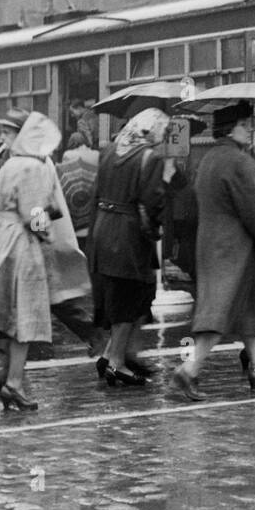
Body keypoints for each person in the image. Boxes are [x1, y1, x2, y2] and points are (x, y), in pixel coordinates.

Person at [176, 102, 255, 400]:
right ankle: (190, 368)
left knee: (246, 308)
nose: (250, 129)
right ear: (232, 128)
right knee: (219, 311)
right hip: (232, 249)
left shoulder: (209, 159)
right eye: (245, 124)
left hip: (210, 244)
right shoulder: (239, 162)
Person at [0, 112, 65, 412]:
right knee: (26, 313)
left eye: (8, 133)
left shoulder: (8, 164)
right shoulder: (33, 167)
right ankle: (14, 383)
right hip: (21, 243)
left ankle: (6, 374)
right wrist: (47, 232)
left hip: (0, 240)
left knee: (6, 311)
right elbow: (33, 215)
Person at [87, 107, 170, 387]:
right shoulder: (151, 157)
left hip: (103, 230)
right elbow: (154, 200)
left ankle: (112, 354)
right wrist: (158, 224)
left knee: (120, 297)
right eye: (163, 132)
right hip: (129, 235)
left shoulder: (109, 150)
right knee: (129, 299)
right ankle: (116, 363)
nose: (164, 138)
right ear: (152, 131)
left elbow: (96, 191)